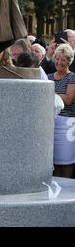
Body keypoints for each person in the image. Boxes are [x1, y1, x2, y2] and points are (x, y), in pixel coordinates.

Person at [48, 44, 75, 178]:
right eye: (57, 59)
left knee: (66, 159)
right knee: (53, 160)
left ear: (69, 61)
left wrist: (50, 93)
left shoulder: (72, 77)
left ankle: (67, 189)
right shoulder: (48, 77)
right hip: (51, 123)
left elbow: (69, 99)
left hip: (67, 125)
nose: (59, 62)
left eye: (63, 60)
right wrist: (58, 95)